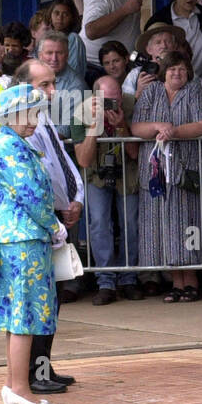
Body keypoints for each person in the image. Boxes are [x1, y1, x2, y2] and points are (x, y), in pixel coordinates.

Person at [16, 59, 96, 391]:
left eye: (53, 84)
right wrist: (58, 210)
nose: (53, 91)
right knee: (38, 299)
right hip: (39, 223)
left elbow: (64, 163)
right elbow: (38, 178)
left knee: (54, 296)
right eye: (44, 85)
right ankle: (33, 373)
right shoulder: (21, 128)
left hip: (58, 217)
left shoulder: (43, 118)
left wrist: (76, 197)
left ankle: (44, 366)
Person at [0, 83, 62, 404]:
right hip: (21, 242)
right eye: (30, 114)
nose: (34, 121)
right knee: (24, 317)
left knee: (19, 317)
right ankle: (19, 388)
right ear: (12, 114)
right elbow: (32, 196)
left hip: (14, 240)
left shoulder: (9, 144)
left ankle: (15, 386)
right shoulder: (11, 148)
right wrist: (54, 225)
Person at [130, 50, 202, 303]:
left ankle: (192, 282)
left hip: (186, 169)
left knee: (189, 225)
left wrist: (174, 131)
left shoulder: (194, 90)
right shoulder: (151, 92)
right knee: (164, 229)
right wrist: (157, 127)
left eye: (181, 69)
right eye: (171, 69)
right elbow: (136, 126)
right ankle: (176, 282)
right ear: (163, 72)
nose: (176, 73)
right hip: (157, 172)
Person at [83, 74, 143, 306]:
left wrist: (120, 127)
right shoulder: (83, 109)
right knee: (99, 223)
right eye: (107, 100)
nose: (114, 105)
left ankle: (128, 278)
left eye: (117, 98)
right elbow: (84, 160)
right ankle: (105, 283)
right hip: (97, 174)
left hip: (127, 172)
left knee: (131, 223)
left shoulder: (132, 105)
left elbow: (135, 153)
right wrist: (94, 127)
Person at [123, 22, 186, 101]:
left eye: (168, 41)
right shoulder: (135, 74)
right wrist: (138, 93)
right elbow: (124, 107)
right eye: (158, 42)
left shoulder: (183, 71)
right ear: (149, 49)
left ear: (175, 47)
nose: (164, 46)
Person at [46, 0, 88, 79]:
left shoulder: (73, 39)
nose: (60, 18)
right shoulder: (46, 38)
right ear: (50, 15)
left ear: (72, 18)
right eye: (56, 13)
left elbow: (73, 71)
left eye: (65, 14)